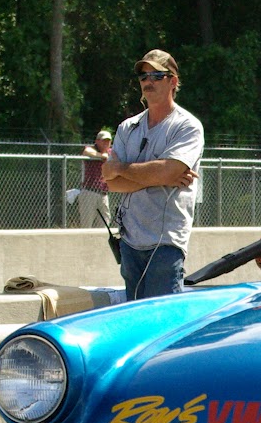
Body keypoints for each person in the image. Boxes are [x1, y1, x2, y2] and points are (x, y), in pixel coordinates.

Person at [103, 49, 204, 300]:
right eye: (143, 76)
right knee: (135, 317)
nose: (148, 82)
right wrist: (158, 176)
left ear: (173, 81)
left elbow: (168, 170)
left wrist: (122, 169)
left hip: (166, 243)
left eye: (157, 76)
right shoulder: (128, 127)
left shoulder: (187, 126)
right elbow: (111, 183)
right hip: (130, 242)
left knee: (162, 317)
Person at [77, 130, 114, 229]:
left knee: (105, 223)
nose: (106, 143)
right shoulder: (91, 149)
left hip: (104, 193)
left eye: (108, 141)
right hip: (89, 192)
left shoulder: (111, 152)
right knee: (86, 224)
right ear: (97, 141)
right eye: (103, 140)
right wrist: (102, 156)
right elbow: (86, 151)